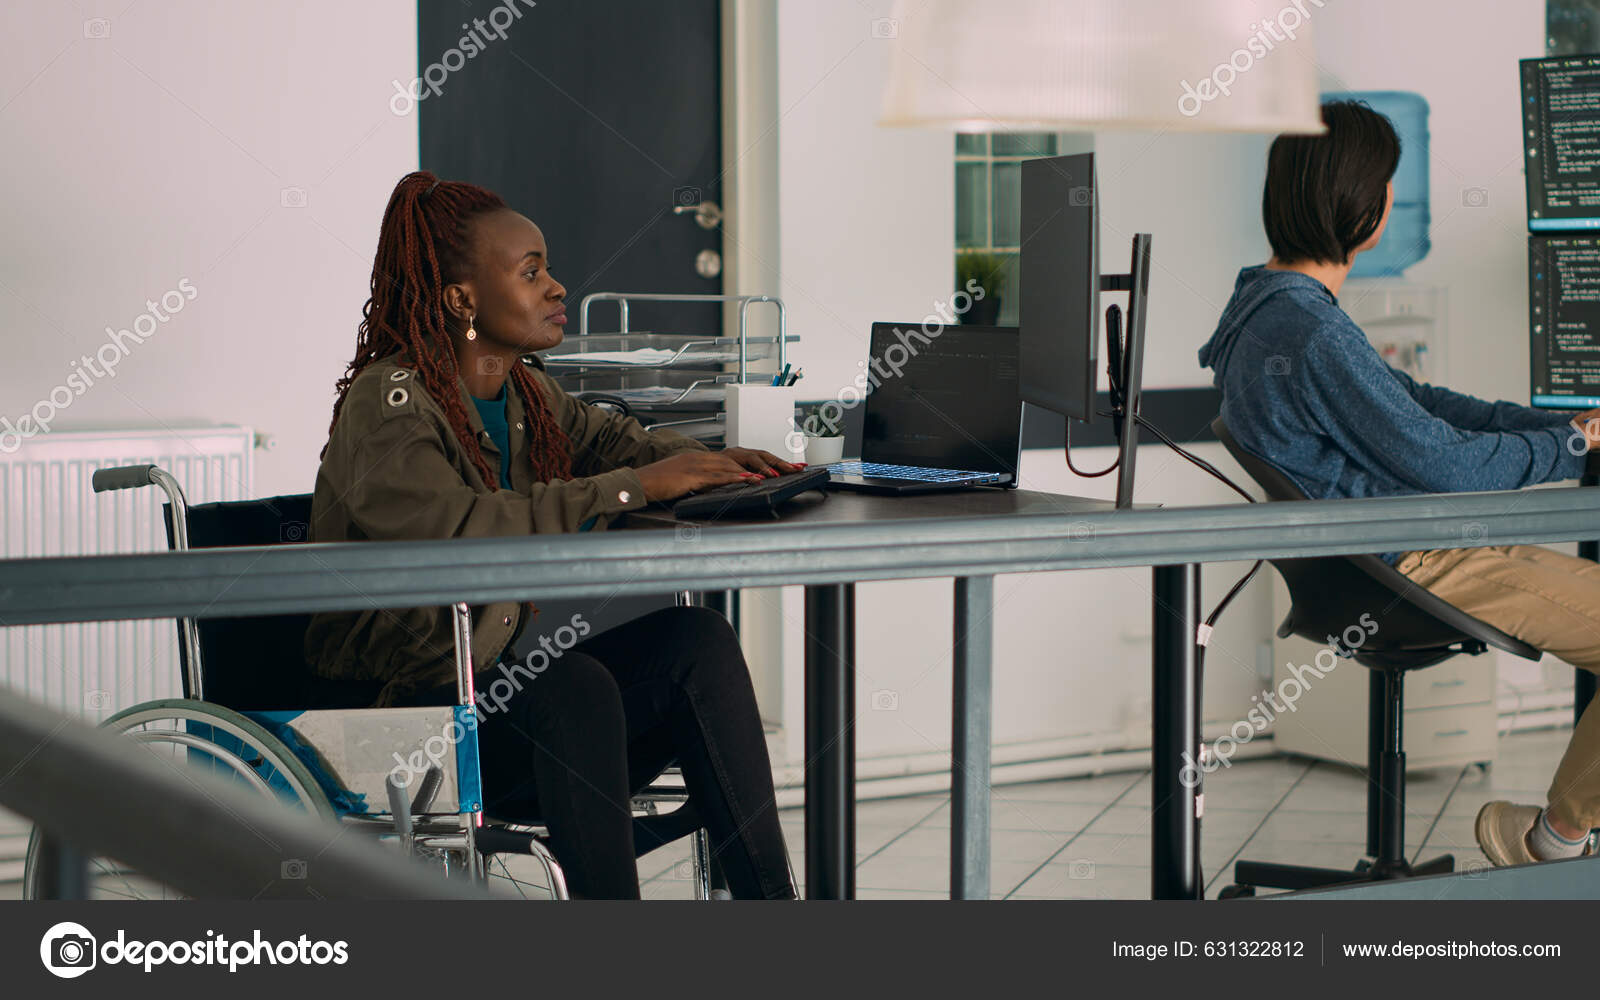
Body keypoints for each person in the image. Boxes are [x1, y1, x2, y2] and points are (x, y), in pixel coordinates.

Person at [304, 170, 799, 899]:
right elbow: (462, 531)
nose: (557, 286)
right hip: (399, 721)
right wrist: (635, 486)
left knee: (698, 644)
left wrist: (719, 465)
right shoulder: (390, 401)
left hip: (489, 697)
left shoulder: (525, 392)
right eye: (531, 272)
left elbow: (619, 444)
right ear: (461, 300)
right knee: (571, 686)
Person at [1199, 100, 1600, 867]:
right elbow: (1445, 464)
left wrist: (1562, 429)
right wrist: (1570, 448)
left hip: (1376, 564)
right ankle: (1553, 838)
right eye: (1388, 182)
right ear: (1366, 204)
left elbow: (1419, 406)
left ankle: (1561, 832)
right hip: (1418, 563)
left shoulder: (1267, 308)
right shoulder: (1311, 331)